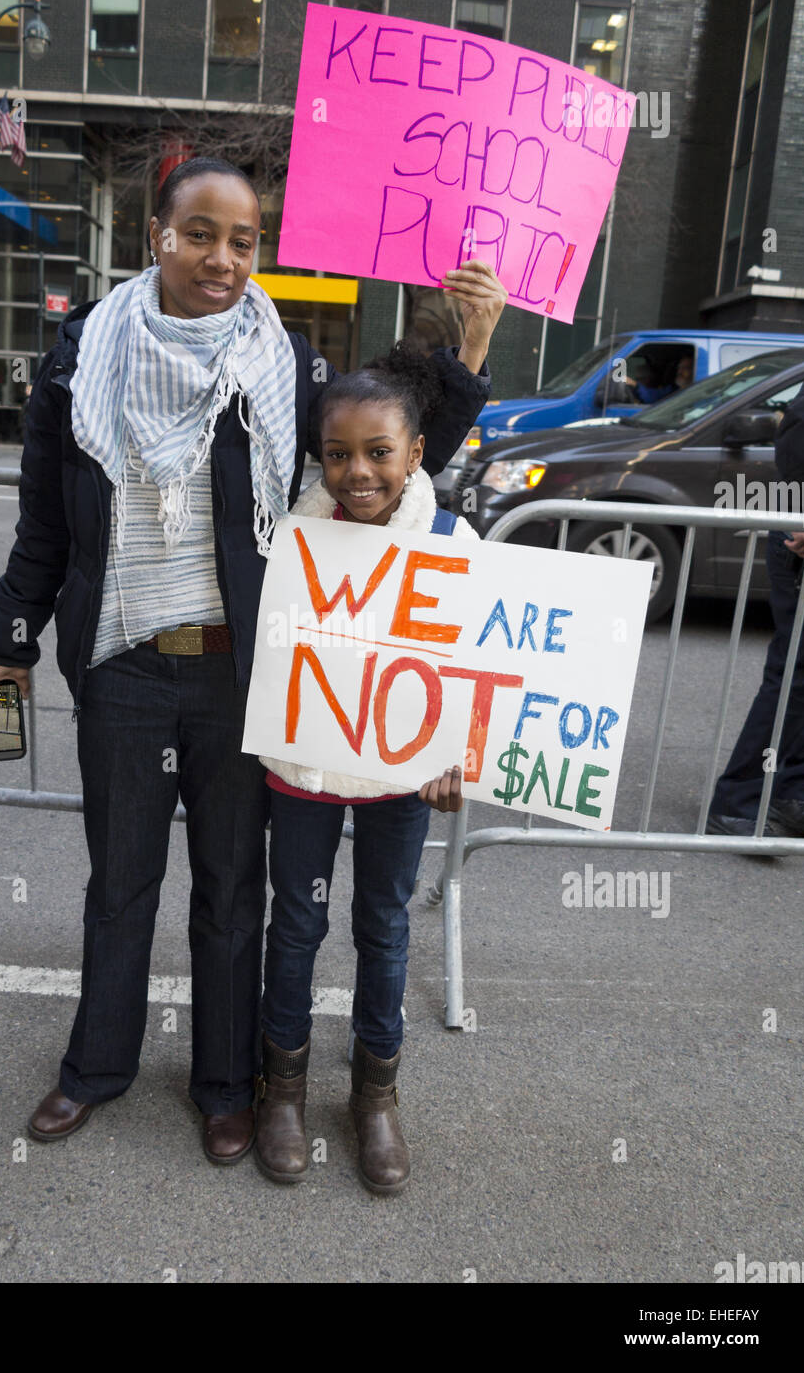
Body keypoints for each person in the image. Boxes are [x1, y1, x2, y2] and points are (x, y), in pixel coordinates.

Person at [0, 155, 506, 1162]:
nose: (222, 257)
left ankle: (226, 1086)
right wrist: (7, 639)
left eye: (244, 239)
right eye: (200, 233)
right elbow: (44, 519)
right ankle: (96, 1067)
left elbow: (382, 443)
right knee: (119, 881)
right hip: (121, 662)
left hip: (240, 676)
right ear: (158, 238)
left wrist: (467, 342)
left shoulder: (284, 363)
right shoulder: (83, 353)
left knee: (231, 887)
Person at [253, 343, 473, 1193]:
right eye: (337, 453)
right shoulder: (292, 538)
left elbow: (471, 671)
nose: (357, 471)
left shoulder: (454, 541)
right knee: (297, 926)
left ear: (415, 454)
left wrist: (458, 759)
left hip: (398, 779)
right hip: (302, 766)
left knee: (383, 927)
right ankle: (283, 1093)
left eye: (378, 452)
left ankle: (374, 1098)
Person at [706, 381, 804, 838]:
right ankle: (738, 802)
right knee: (795, 672)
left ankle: (794, 793)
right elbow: (800, 435)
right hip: (801, 539)